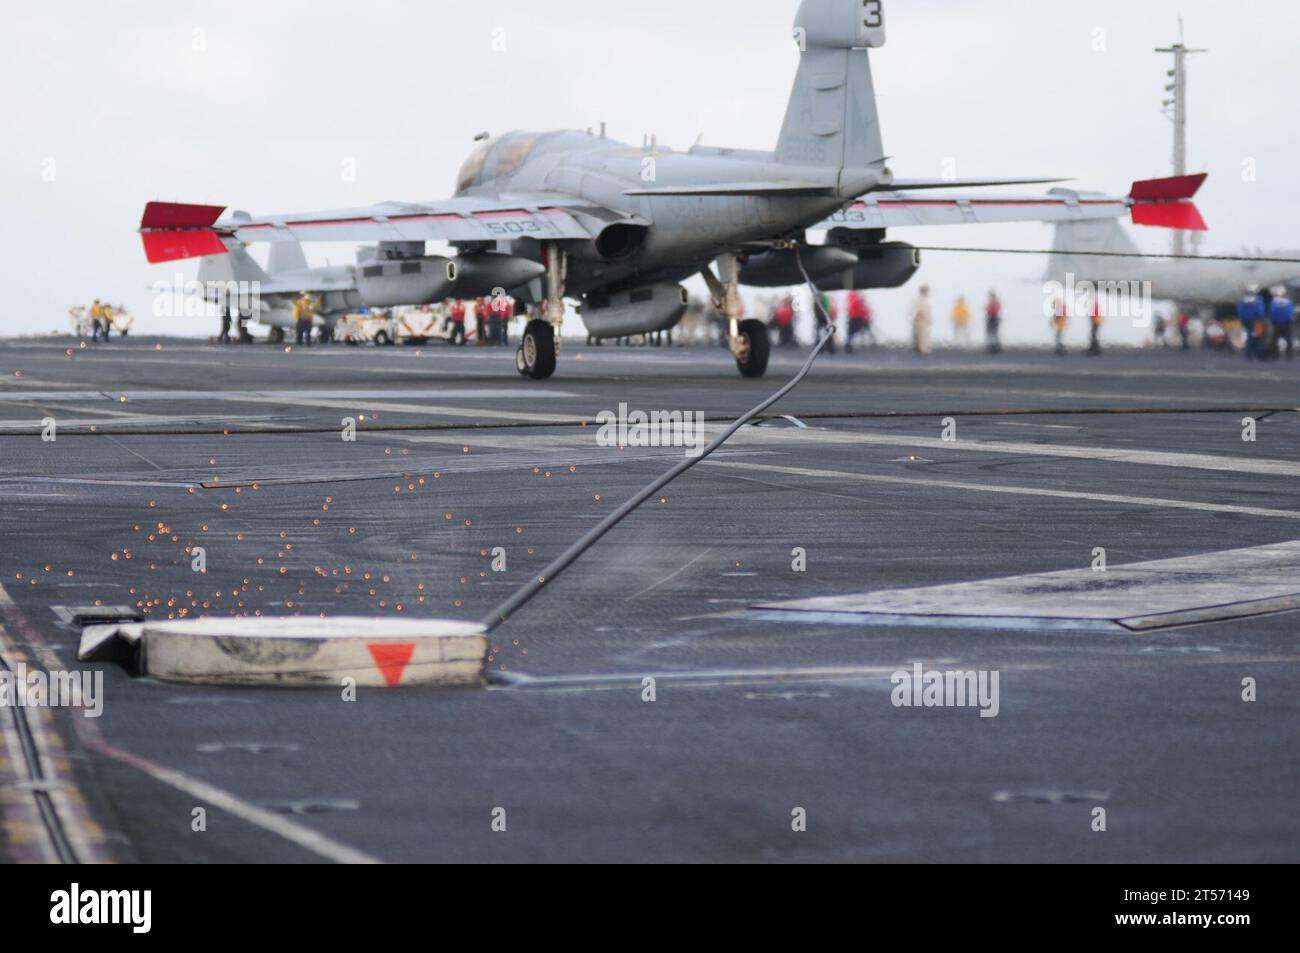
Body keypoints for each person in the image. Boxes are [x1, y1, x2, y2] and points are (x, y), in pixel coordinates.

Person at [1239, 286, 1267, 361]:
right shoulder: (1258, 300)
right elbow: (1260, 312)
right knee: (1258, 338)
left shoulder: (1242, 300)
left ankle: (1249, 355)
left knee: (1250, 337)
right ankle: (1258, 355)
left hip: (1246, 321)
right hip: (1256, 321)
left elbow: (1240, 312)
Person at [1271, 286, 1295, 361]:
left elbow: (1272, 313)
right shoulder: (1288, 302)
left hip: (1278, 323)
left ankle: (1276, 355)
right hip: (1287, 322)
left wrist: (1273, 321)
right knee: (1288, 339)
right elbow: (1290, 312)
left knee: (1275, 339)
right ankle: (1289, 355)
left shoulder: (1274, 302)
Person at [911, 285, 933, 355]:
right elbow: (919, 311)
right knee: (923, 335)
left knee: (923, 335)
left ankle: (922, 348)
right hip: (922, 320)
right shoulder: (921, 300)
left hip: (923, 320)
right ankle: (923, 349)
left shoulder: (922, 299)